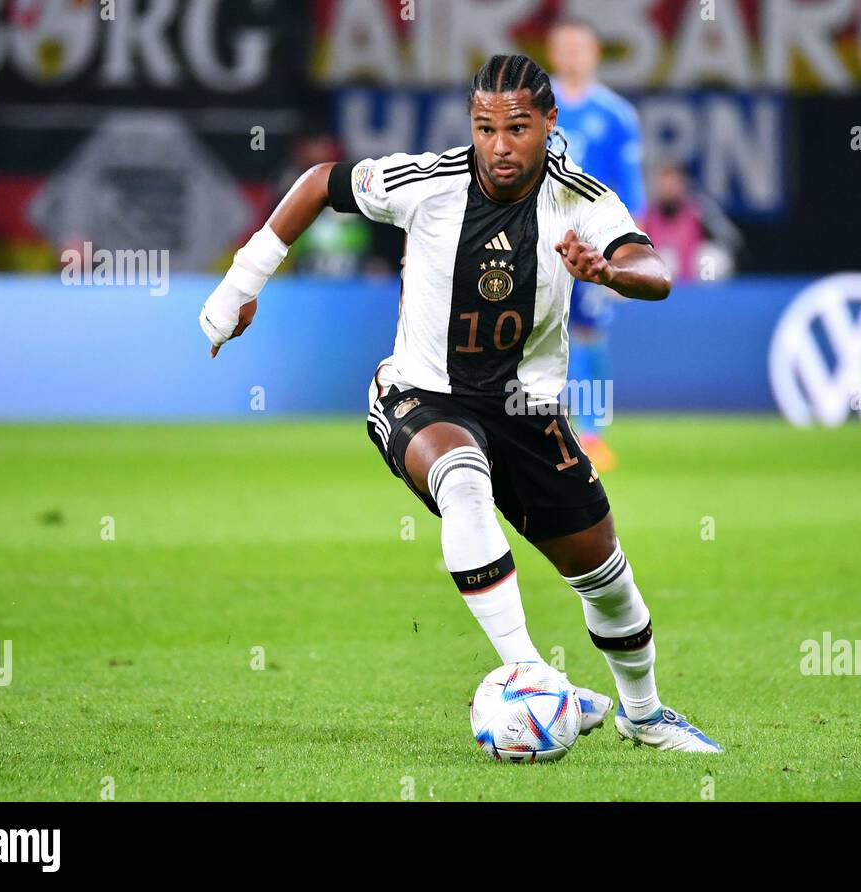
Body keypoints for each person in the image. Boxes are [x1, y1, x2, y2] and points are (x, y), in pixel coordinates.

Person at [198, 54, 721, 753]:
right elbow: (321, 183)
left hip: (527, 412)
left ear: (549, 124)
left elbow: (653, 269)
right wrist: (241, 283)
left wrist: (610, 271)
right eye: (484, 128)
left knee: (604, 574)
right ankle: (532, 675)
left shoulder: (580, 199)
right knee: (462, 479)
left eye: (517, 128)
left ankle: (646, 716)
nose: (500, 146)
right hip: (421, 393)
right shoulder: (427, 183)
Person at [545, 18, 647, 472]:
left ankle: (593, 433)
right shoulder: (532, 105)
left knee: (589, 333)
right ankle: (543, 428)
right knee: (534, 334)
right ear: (552, 52)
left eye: (579, 47)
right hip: (540, 237)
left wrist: (627, 254)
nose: (572, 55)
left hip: (593, 244)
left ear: (595, 54)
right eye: (564, 47)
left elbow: (631, 189)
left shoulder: (617, 115)